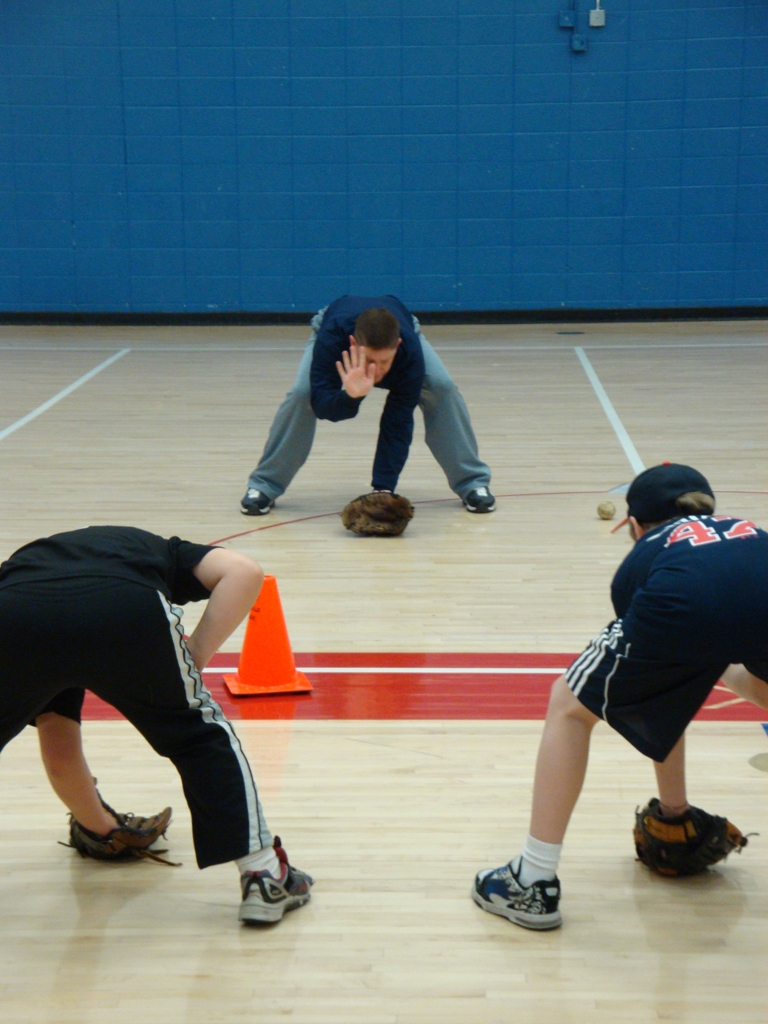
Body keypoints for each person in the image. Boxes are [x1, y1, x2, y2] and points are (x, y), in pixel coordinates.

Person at [472, 463, 768, 930]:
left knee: (568, 706)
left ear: (633, 525)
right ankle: (676, 811)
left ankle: (532, 881)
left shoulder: (644, 556)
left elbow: (657, 691)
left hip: (682, 601)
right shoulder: (744, 532)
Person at [0, 525, 312, 924]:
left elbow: (60, 751)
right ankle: (265, 874)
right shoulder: (166, 552)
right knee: (196, 737)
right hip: (122, 604)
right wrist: (194, 655)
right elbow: (245, 571)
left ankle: (100, 829)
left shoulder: (28, 567)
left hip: (14, 614)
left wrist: (101, 829)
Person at [240, 295, 495, 516]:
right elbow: (321, 405)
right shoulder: (332, 341)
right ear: (354, 345)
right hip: (332, 321)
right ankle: (264, 485)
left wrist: (383, 489)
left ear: (397, 346)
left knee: (442, 387)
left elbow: (398, 422)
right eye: (370, 359)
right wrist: (350, 398)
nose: (377, 369)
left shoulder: (409, 354)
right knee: (301, 393)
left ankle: (471, 482)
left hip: (405, 323)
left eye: (385, 360)